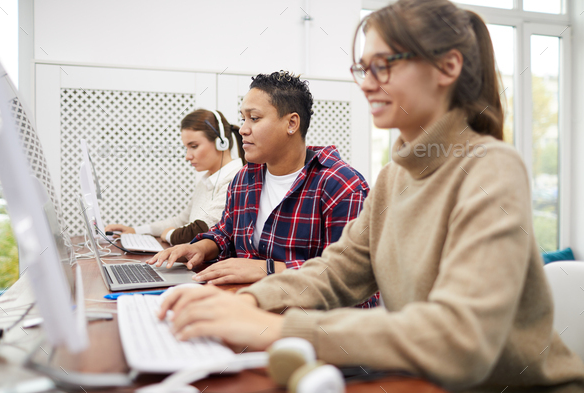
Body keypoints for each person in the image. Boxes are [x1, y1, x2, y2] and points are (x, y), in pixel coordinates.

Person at [156, 1, 584, 391]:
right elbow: (337, 272)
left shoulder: (491, 166)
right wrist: (248, 301)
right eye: (363, 68)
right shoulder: (394, 178)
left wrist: (277, 329)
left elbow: (462, 340)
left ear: (447, 67)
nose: (367, 83)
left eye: (384, 65)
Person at [147, 71, 379, 308]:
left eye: (254, 119)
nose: (243, 129)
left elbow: (347, 276)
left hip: (310, 324)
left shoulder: (340, 185)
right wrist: (198, 248)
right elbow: (226, 232)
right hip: (247, 306)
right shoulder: (245, 178)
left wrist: (266, 269)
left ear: (291, 123)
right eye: (243, 118)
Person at [105, 109, 245, 245]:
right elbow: (181, 222)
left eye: (194, 146)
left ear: (221, 143)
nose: (187, 156)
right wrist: (136, 230)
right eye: (187, 148)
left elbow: (203, 229)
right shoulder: (207, 181)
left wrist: (169, 235)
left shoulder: (236, 179)